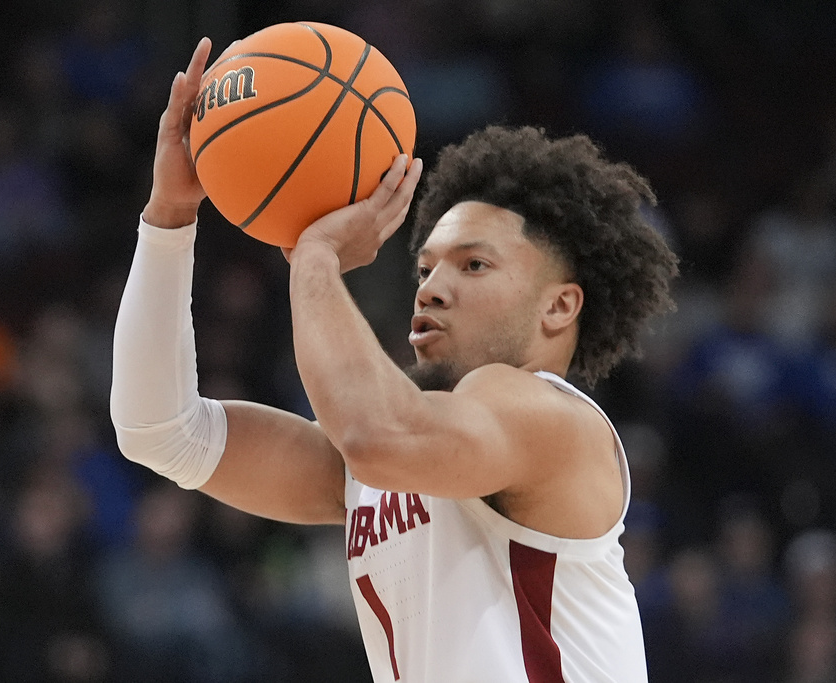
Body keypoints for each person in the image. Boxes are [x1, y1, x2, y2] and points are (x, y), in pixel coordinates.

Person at [110, 36, 679, 682]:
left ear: (559, 307)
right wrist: (169, 217)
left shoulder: (546, 415)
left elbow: (375, 431)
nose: (432, 286)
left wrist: (315, 257)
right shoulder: (381, 463)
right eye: (426, 266)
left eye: (473, 264)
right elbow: (160, 431)